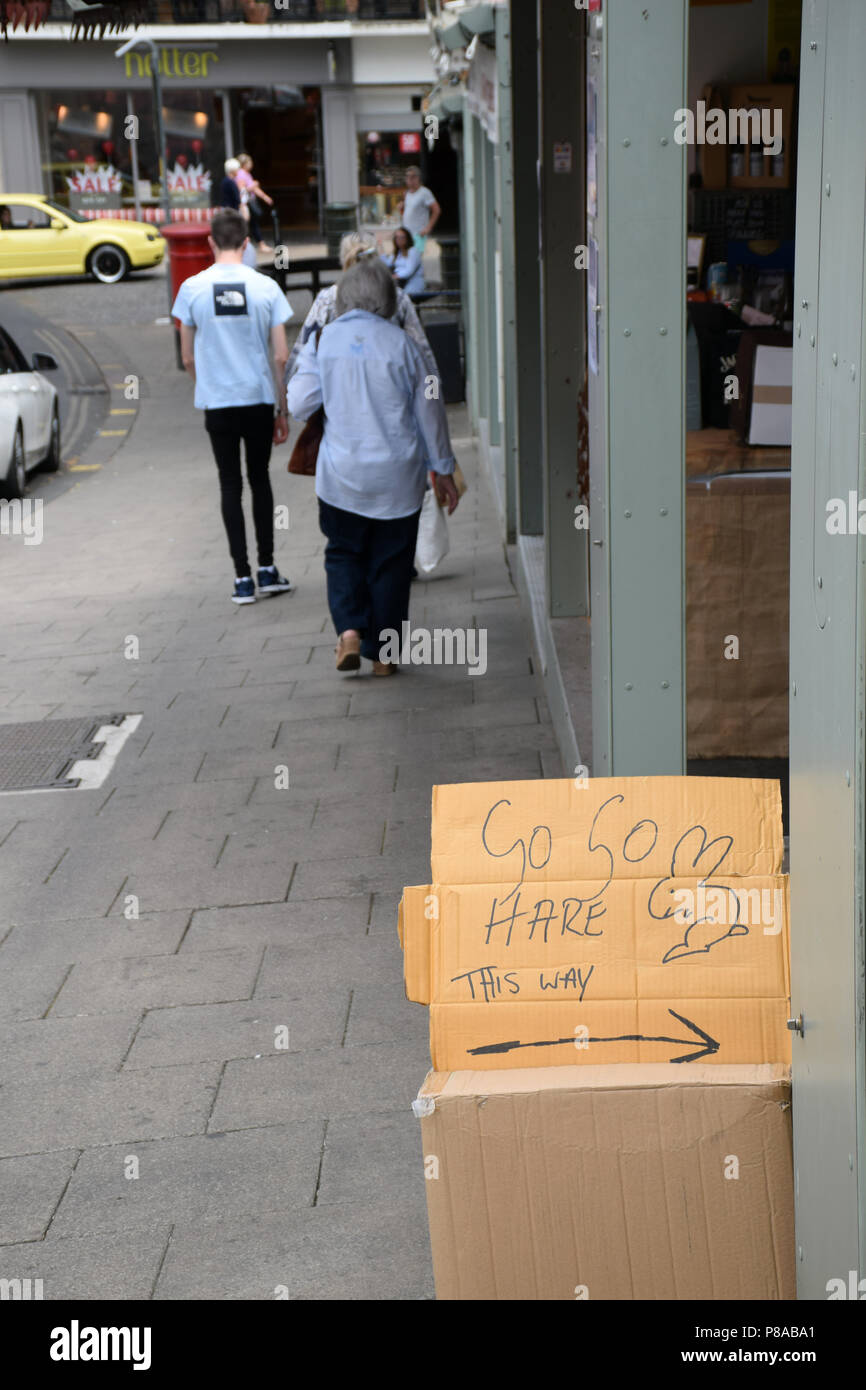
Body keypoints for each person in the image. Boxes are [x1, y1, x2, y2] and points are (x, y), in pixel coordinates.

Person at [288, 258, 458, 676]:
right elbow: (430, 411)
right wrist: (444, 468)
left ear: (342, 299)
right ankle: (384, 654)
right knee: (393, 564)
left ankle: (348, 631)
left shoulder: (324, 340)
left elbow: (299, 403)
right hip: (398, 479)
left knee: (343, 554)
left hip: (341, 478)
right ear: (387, 301)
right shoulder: (404, 345)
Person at [172, 208, 294, 606]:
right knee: (260, 479)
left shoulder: (191, 288)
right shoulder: (265, 287)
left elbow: (187, 357)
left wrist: (205, 387)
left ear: (210, 242)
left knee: (229, 483)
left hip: (219, 403)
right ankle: (267, 569)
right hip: (257, 398)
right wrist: (282, 408)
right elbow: (281, 355)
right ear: (245, 244)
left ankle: (241, 578)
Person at [285, 229, 439, 381]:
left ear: (342, 259)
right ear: (376, 258)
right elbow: (422, 352)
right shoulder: (397, 297)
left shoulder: (328, 298)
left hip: (339, 390)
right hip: (390, 387)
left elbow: (303, 349)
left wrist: (286, 394)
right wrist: (432, 396)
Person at [219, 158, 257, 269]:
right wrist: (244, 210)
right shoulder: (231, 182)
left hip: (225, 210)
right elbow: (237, 198)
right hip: (232, 211)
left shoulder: (224, 181)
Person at [236, 153, 274, 251]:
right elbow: (243, 190)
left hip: (250, 201)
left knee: (253, 223)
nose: (251, 164)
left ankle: (259, 244)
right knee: (248, 224)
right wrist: (254, 185)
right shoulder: (240, 174)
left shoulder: (247, 174)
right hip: (245, 203)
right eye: (249, 162)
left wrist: (265, 197)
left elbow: (255, 189)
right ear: (244, 164)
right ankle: (248, 245)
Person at [398, 166, 441, 252]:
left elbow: (436, 210)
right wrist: (401, 208)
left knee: (415, 260)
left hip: (418, 234)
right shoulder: (406, 193)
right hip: (407, 234)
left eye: (413, 176)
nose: (410, 179)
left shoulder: (424, 192)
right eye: (408, 176)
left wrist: (428, 227)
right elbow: (406, 213)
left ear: (418, 178)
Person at [381, 226, 425, 298]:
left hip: (413, 282)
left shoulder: (413, 251)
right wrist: (380, 249)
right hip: (400, 282)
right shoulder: (397, 252)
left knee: (402, 298)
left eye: (402, 237)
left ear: (407, 238)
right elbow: (388, 263)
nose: (399, 240)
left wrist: (395, 276)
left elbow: (409, 270)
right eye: (397, 237)